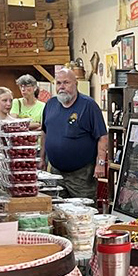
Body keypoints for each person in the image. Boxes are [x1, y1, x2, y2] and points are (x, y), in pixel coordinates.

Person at [41, 67, 108, 199]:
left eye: (66, 82)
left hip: (82, 175)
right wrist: (42, 158)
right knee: (58, 208)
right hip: (56, 173)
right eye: (58, 83)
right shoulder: (50, 104)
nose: (62, 87)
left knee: (85, 210)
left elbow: (102, 137)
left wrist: (100, 164)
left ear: (76, 84)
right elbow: (44, 132)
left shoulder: (88, 105)